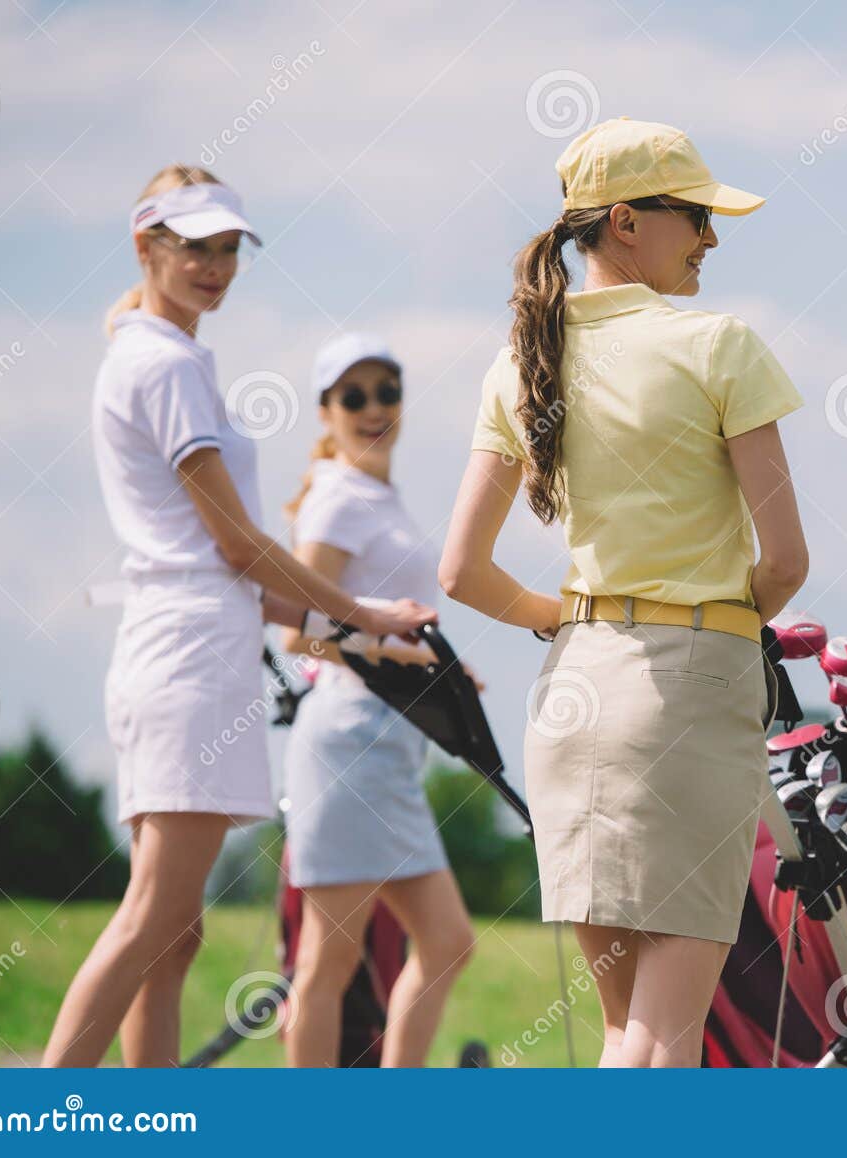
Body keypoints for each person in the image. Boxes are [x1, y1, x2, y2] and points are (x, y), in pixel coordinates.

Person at [438, 118, 810, 1067]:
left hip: (573, 694)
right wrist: (723, 624)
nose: (710, 239)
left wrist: (578, 620)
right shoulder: (718, 345)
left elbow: (462, 575)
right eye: (694, 215)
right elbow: (786, 563)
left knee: (625, 1033)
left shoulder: (519, 360)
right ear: (626, 221)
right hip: (686, 689)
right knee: (670, 1033)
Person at [45, 166, 434, 1067]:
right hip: (186, 655)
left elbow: (251, 582)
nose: (215, 266)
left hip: (182, 642)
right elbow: (236, 545)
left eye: (228, 250)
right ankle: (36, 1120)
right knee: (154, 920)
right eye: (194, 247)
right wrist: (363, 608)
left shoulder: (163, 355)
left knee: (172, 934)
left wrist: (363, 631)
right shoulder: (167, 362)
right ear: (147, 247)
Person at [277, 333, 477, 1067]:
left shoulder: (375, 497)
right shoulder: (334, 498)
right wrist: (411, 658)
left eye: (385, 392)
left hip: (389, 746)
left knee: (450, 943)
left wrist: (440, 674)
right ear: (325, 412)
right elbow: (300, 627)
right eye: (353, 396)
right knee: (326, 964)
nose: (373, 409)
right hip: (347, 744)